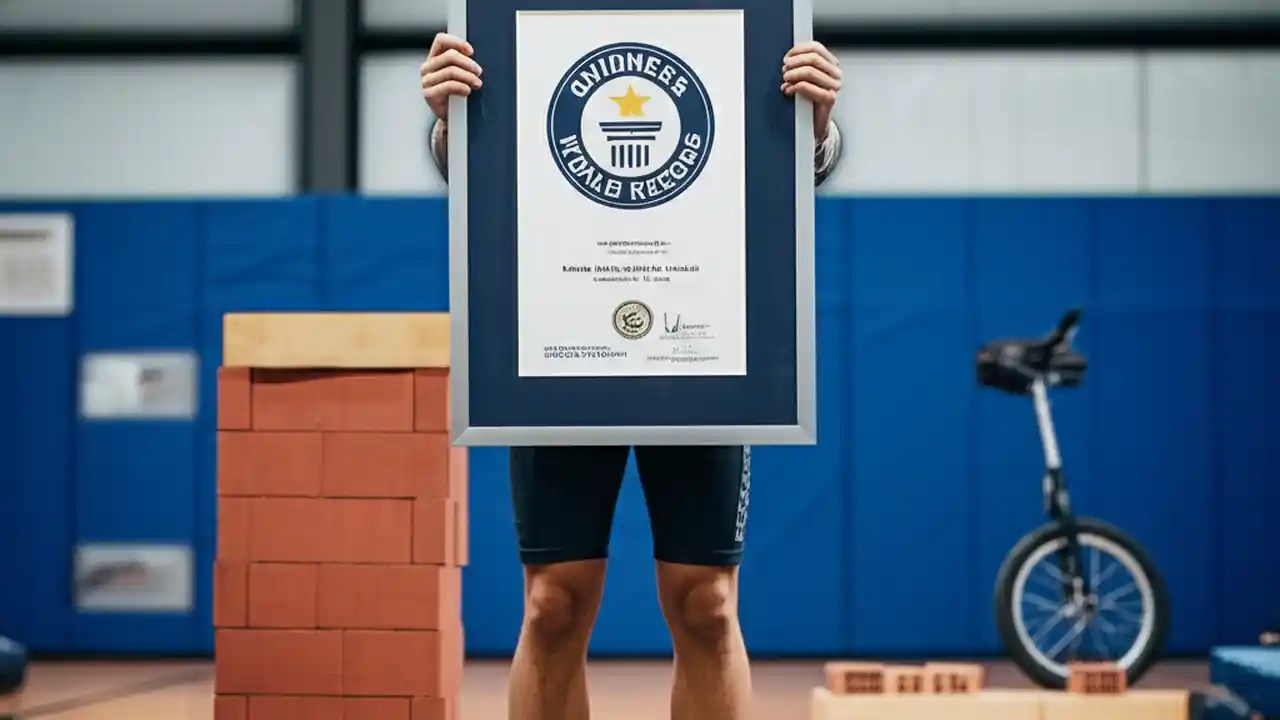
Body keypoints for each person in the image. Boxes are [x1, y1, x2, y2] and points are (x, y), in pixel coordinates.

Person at [420, 32, 845, 720]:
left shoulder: (724, 23)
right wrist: (456, 120)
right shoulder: (540, 22)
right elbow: (499, 162)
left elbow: (778, 160)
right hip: (563, 337)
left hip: (698, 342)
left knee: (707, 603)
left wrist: (809, 126)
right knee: (552, 603)